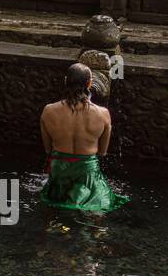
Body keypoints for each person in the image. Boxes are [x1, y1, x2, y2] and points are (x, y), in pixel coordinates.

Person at [39, 63, 129, 212]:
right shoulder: (103, 113)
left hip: (60, 169)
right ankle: (96, 231)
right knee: (97, 208)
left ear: (66, 80)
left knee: (53, 210)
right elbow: (102, 152)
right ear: (89, 83)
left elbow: (48, 149)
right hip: (86, 172)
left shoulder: (48, 111)